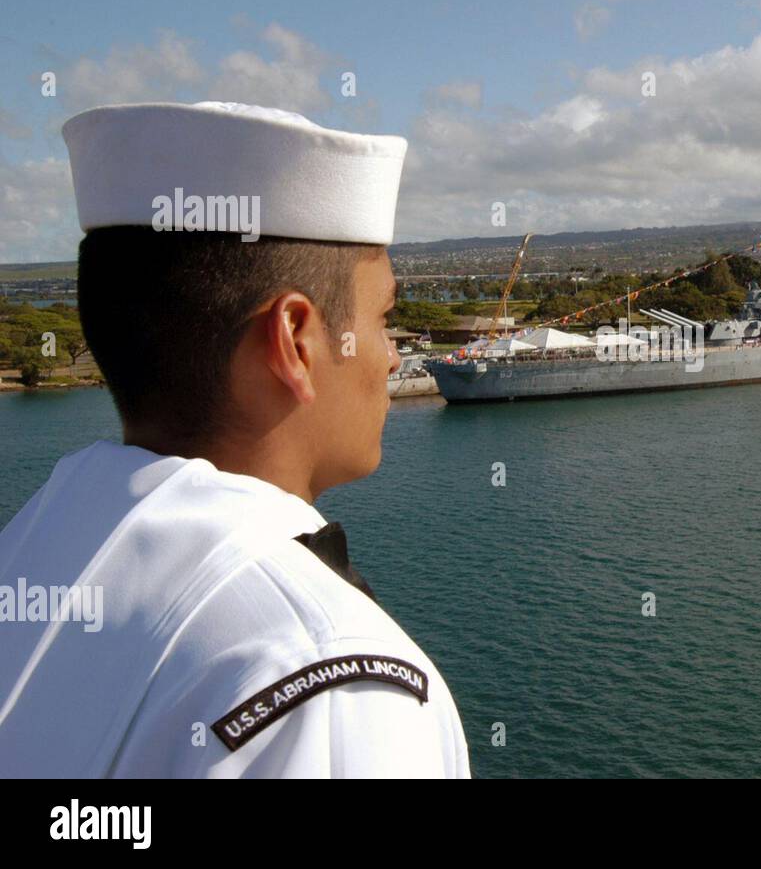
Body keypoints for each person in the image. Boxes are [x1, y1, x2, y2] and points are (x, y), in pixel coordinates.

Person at [0, 101, 470, 777]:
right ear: (296, 342)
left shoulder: (28, 552)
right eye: (384, 317)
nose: (392, 357)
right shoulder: (326, 681)